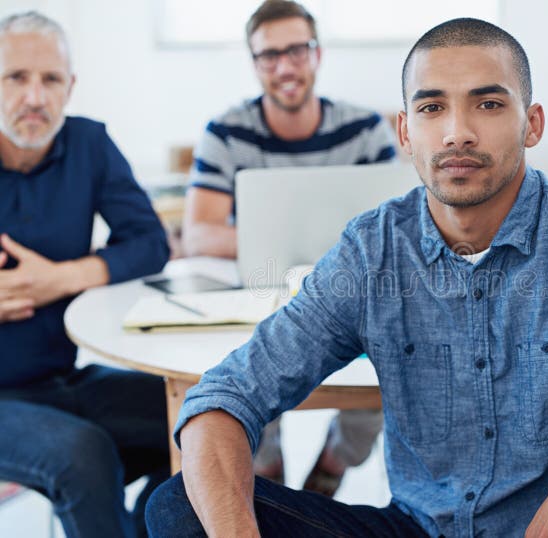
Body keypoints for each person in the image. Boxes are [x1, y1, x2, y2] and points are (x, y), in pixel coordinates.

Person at [146, 17, 548, 537]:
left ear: (531, 122)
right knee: (177, 505)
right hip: (419, 527)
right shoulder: (373, 251)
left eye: (487, 103)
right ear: (405, 131)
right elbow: (224, 398)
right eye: (431, 109)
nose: (457, 132)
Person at [181, 0, 394, 496]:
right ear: (254, 64)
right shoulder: (225, 132)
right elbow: (199, 233)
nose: (285, 66)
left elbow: (396, 231)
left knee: (396, 357)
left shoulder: (364, 131)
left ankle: (334, 465)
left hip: (348, 297)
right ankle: (267, 476)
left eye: (297, 50)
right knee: (242, 371)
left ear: (316, 55)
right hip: (261, 291)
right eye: (269, 56)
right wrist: (289, 248)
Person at [0, 11, 171, 538]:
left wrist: (62, 277)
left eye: (50, 79)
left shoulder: (89, 144)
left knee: (207, 415)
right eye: (16, 78)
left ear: (70, 87)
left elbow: (150, 243)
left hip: (64, 380)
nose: (35, 97)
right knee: (85, 456)